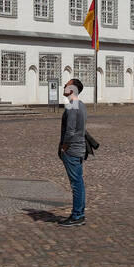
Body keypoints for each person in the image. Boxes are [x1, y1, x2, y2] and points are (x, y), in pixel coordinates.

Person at [57, 78, 87, 227]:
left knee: (76, 184)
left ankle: (77, 215)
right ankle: (79, 213)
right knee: (79, 182)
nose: (64, 86)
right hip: (78, 148)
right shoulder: (80, 104)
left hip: (72, 150)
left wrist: (64, 147)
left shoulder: (73, 106)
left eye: (67, 85)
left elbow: (70, 130)